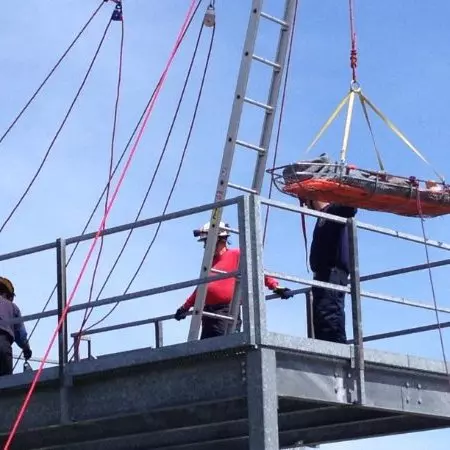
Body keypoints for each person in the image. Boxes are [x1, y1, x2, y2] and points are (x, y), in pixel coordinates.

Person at [174, 221, 293, 339]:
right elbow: (201, 288)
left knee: (223, 350)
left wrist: (276, 287)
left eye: (208, 242)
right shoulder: (209, 262)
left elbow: (258, 271)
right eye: (205, 242)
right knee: (208, 353)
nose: (205, 246)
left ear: (222, 240)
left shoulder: (237, 255)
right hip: (207, 315)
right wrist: (185, 307)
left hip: (227, 313)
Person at [304, 200, 357, 344]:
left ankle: (337, 357)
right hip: (323, 276)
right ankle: (331, 354)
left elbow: (349, 206)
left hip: (332, 275)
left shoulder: (333, 210)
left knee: (330, 318)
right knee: (322, 319)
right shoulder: (324, 216)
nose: (304, 204)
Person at [0, 277, 32, 376]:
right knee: (5, 383)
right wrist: (26, 349)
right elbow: (21, 335)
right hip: (2, 344)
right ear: (7, 294)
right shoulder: (13, 307)